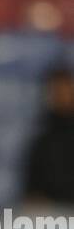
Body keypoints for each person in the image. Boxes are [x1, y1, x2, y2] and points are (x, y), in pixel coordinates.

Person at [20, 67, 74, 213]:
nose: (62, 96)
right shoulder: (42, 144)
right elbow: (31, 194)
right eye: (57, 91)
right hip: (53, 225)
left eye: (66, 91)